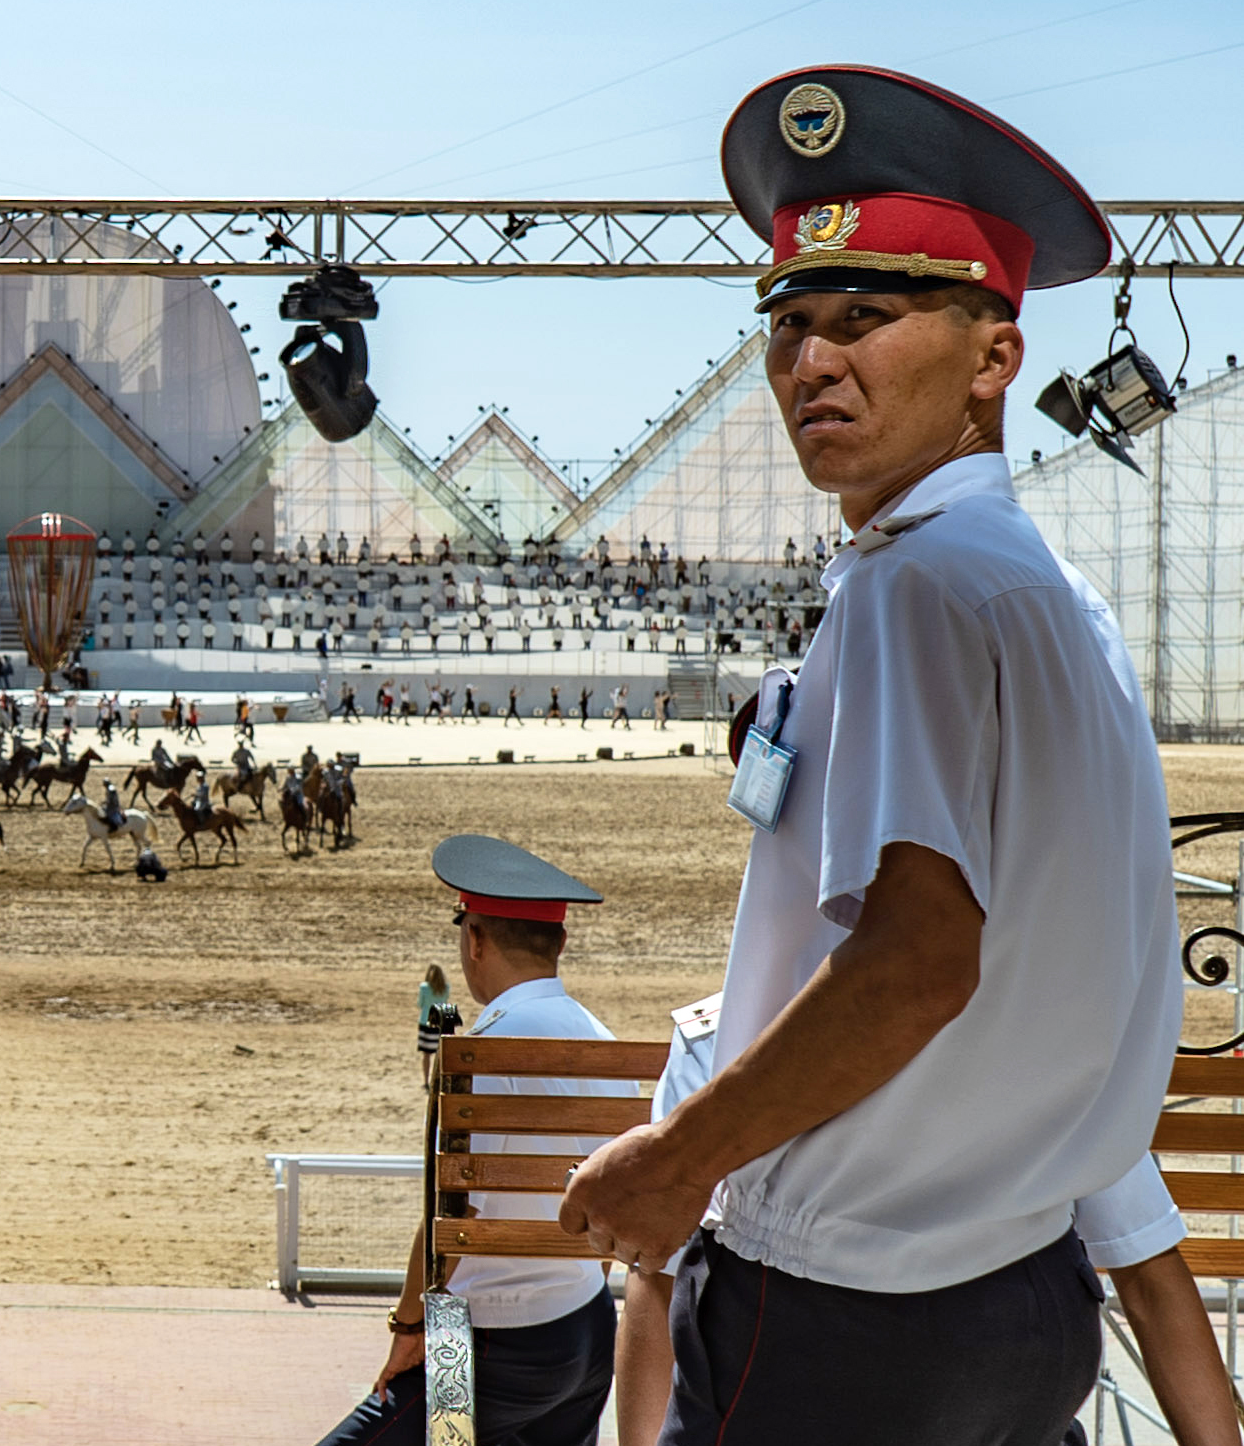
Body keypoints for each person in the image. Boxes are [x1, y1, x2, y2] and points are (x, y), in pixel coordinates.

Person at [560, 66, 1180, 1444]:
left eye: (864, 318)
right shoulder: (1046, 593)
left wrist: (676, 1158)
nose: (809, 363)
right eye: (786, 324)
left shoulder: (912, 583)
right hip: (1020, 1290)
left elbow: (914, 956)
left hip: (839, 1318)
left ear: (990, 356)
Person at [614, 994, 1243, 1446]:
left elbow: (660, 1265)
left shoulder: (724, 1039)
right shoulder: (1045, 1044)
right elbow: (1147, 1269)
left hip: (803, 1368)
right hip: (1015, 1374)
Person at [319, 835, 624, 1446]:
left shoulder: (485, 1050)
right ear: (559, 941)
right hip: (587, 1328)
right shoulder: (600, 1036)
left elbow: (451, 1217)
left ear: (476, 939)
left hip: (480, 1335)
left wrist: (408, 1328)